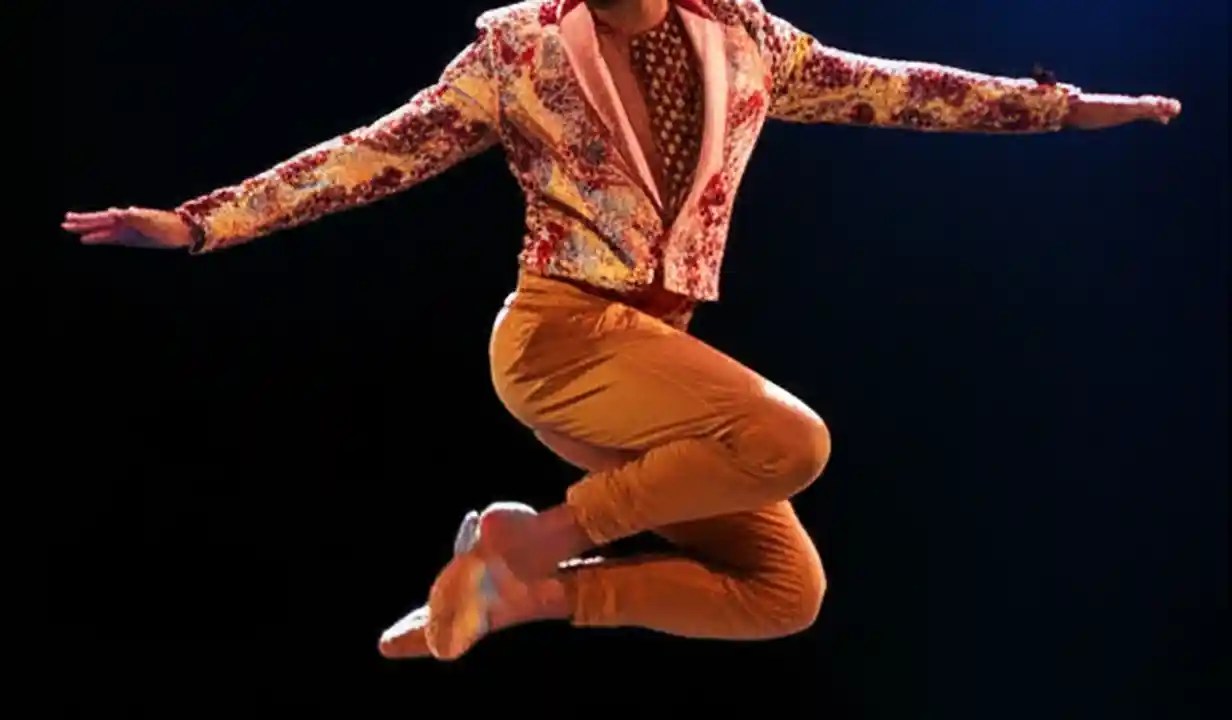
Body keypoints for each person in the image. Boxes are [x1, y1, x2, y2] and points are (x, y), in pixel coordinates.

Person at [62, 0, 1181, 661]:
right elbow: (370, 156)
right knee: (793, 441)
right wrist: (199, 224)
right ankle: (535, 541)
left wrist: (1064, 109)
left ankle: (520, 590)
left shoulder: (743, 37)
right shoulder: (520, 48)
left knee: (784, 594)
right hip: (558, 341)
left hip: (652, 364)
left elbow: (897, 90)